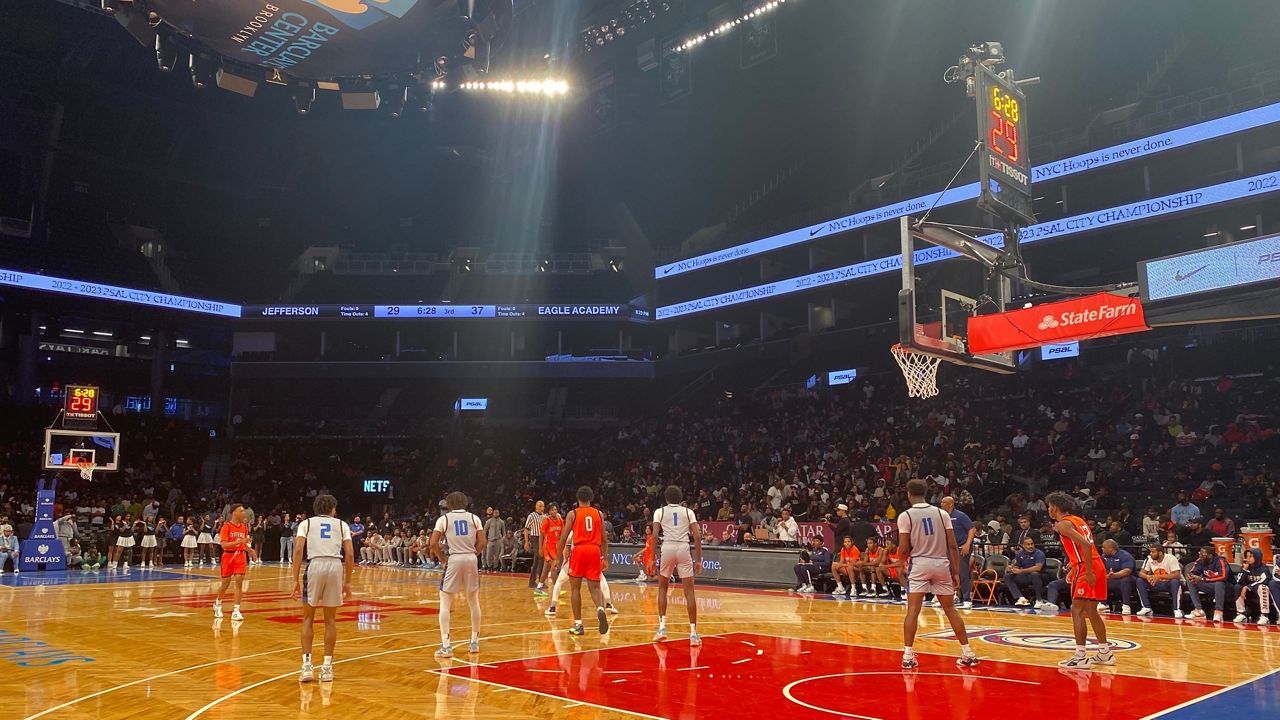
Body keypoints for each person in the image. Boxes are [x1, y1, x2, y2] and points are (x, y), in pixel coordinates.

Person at [897, 479, 979, 669]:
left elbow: (902, 548)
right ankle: (968, 653)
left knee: (913, 611)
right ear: (926, 493)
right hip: (941, 563)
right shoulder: (942, 513)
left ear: (909, 494)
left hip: (919, 563)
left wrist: (902, 563)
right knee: (950, 610)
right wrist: (956, 571)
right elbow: (952, 545)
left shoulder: (906, 516)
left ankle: (908, 657)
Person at [1046, 491, 1115, 669]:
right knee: (1092, 611)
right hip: (1094, 563)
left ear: (1054, 507)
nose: (1048, 509)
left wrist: (1087, 571)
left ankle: (1080, 656)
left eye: (1049, 506)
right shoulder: (1078, 520)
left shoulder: (1062, 525)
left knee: (1077, 610)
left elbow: (1085, 545)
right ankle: (1105, 652)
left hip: (1087, 566)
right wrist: (1072, 565)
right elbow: (1078, 547)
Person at [291, 494, 354, 683]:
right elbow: (350, 553)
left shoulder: (306, 523)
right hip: (335, 565)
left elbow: (297, 549)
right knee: (330, 620)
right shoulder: (342, 525)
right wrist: (348, 581)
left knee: (308, 617)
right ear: (332, 509)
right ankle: (327, 667)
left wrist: (294, 579)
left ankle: (307, 666)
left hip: (315, 565)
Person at [430, 492, 486, 657]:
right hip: (470, 558)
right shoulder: (475, 518)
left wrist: (441, 559)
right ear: (465, 503)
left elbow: (433, 543)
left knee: (445, 601)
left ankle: (446, 646)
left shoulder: (444, 519)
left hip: (454, 558)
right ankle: (474, 642)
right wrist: (473, 555)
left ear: (449, 504)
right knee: (474, 601)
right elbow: (482, 542)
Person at [550, 486, 610, 637]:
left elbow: (563, 537)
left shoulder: (573, 514)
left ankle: (578, 624)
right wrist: (605, 557)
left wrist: (557, 557)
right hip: (594, 550)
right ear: (591, 498)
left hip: (579, 550)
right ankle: (600, 609)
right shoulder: (598, 514)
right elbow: (604, 538)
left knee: (575, 589)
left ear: (577, 499)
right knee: (595, 588)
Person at [652, 485, 703, 643]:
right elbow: (697, 536)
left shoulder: (659, 511)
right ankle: (693, 634)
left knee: (662, 588)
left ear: (666, 499)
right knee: (689, 593)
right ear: (680, 498)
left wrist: (652, 557)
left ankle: (661, 628)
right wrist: (699, 559)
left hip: (667, 547)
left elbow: (654, 535)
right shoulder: (688, 512)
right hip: (683, 547)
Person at [213, 504, 257, 621]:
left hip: (241, 556)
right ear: (234, 513)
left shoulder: (244, 527)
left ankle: (236, 610)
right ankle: (217, 604)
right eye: (241, 511)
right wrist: (242, 541)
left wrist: (251, 550)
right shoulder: (226, 527)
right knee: (225, 584)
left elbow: (242, 543)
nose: (244, 513)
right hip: (228, 556)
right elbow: (224, 545)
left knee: (239, 582)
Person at [938, 496, 976, 609]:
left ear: (950, 504)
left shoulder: (960, 515)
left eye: (943, 502)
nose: (941, 504)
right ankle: (954, 595)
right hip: (950, 549)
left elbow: (972, 529)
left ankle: (967, 599)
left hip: (961, 548)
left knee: (962, 572)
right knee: (948, 572)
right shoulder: (943, 517)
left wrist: (967, 544)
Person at [1135, 545, 1184, 618]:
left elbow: (1177, 575)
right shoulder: (1149, 559)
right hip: (1156, 583)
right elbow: (1141, 573)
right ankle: (1146, 607)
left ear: (1160, 553)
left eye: (1153, 552)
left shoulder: (1171, 558)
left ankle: (1176, 609)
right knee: (1140, 580)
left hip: (1169, 583)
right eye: (1150, 552)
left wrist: (1159, 576)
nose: (1150, 554)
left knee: (1175, 582)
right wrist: (1148, 577)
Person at [1005, 537, 1054, 610]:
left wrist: (1021, 571)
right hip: (1027, 576)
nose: (1031, 546)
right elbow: (1016, 566)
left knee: (1034, 574)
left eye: (1032, 544)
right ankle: (1021, 598)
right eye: (1028, 544)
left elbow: (1038, 568)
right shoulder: (1019, 554)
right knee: (1008, 576)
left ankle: (1039, 600)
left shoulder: (1039, 553)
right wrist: (1011, 569)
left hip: (1042, 576)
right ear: (1023, 545)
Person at [1185, 545, 1231, 622]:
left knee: (1219, 583)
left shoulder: (1221, 561)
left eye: (1203, 555)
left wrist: (1203, 579)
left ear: (1210, 556)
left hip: (1227, 587)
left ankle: (1218, 612)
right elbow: (1192, 572)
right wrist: (1191, 576)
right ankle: (1199, 611)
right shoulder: (1200, 561)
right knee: (1191, 582)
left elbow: (1223, 576)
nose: (1200, 556)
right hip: (1210, 585)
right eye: (1200, 553)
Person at [1232, 548, 1272, 624]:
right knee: (1237, 586)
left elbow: (1264, 581)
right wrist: (1244, 570)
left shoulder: (1264, 569)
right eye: (1247, 556)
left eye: (1250, 556)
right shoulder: (1246, 567)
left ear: (1257, 557)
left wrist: (1248, 587)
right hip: (1247, 594)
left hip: (1259, 592)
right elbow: (1239, 581)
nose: (1248, 559)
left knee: (1263, 587)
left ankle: (1265, 616)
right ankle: (1241, 614)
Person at [1099, 539, 1137, 615]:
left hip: (1127, 579)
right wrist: (1105, 575)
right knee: (1100, 579)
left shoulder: (1125, 555)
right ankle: (1103, 604)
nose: (1102, 549)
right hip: (1111, 579)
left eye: (1104, 547)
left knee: (1125, 580)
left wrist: (1116, 575)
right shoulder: (1103, 557)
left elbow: (1127, 571)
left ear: (1111, 549)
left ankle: (1126, 605)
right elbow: (1100, 569)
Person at [536, 504, 564, 595]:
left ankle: (539, 587)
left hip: (556, 546)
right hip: (548, 546)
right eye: (552, 510)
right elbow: (541, 535)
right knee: (554, 567)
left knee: (547, 567)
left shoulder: (560, 520)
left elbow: (562, 534)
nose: (554, 511)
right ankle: (557, 589)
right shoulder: (547, 520)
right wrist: (540, 547)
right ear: (549, 512)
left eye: (555, 509)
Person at [524, 500, 547, 591]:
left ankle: (541, 581)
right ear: (536, 507)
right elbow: (526, 529)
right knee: (538, 558)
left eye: (543, 506)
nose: (542, 508)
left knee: (542, 559)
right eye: (540, 506)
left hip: (543, 538)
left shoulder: (545, 517)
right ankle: (532, 581)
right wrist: (526, 542)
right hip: (535, 538)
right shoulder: (531, 516)